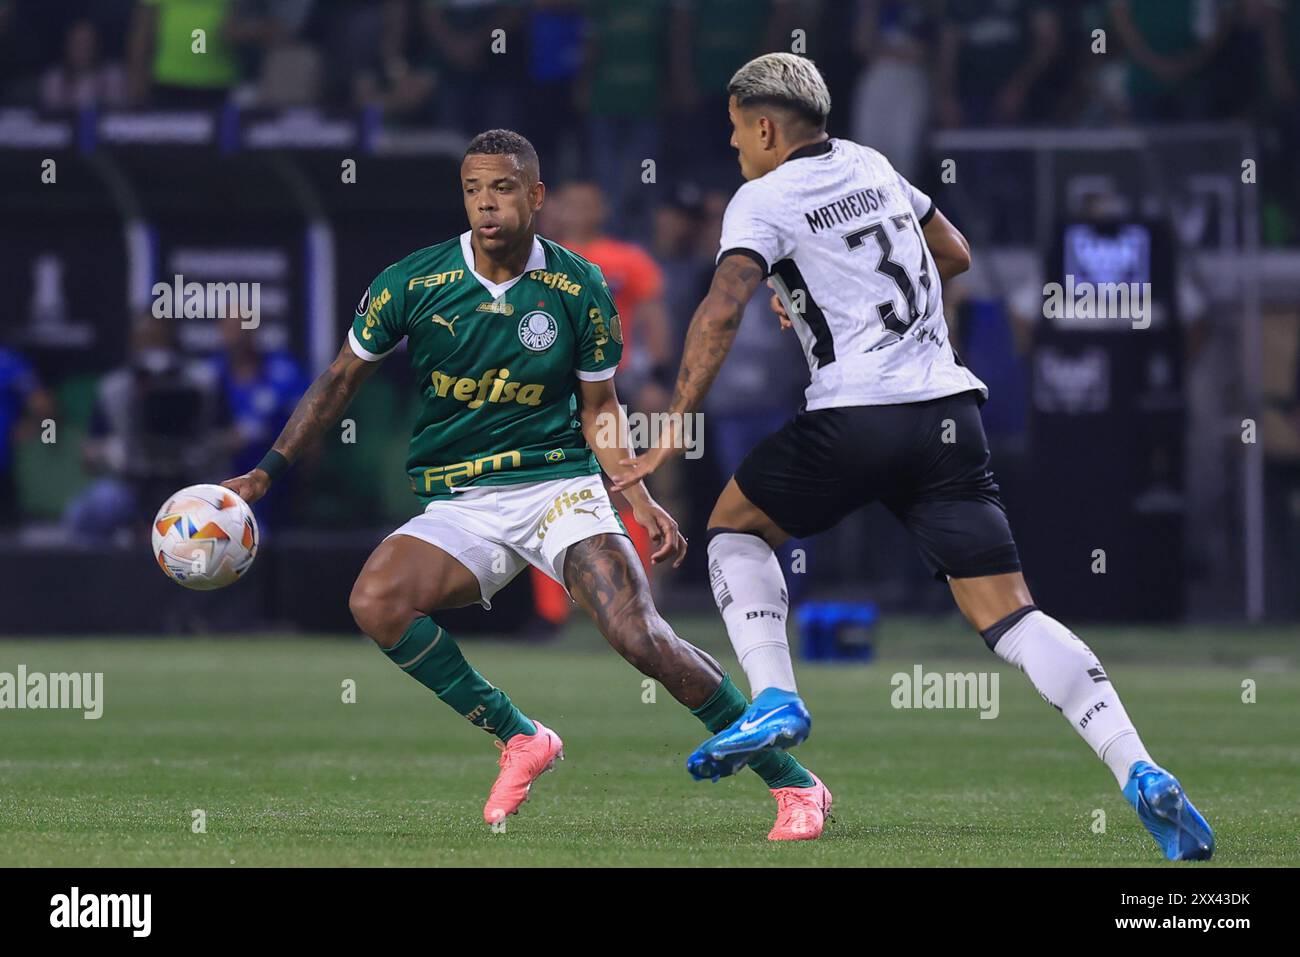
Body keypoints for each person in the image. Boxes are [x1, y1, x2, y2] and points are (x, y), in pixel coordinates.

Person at [615, 53, 1214, 861]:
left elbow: (722, 306)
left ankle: (776, 698)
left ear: (763, 127)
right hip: (949, 415)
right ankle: (1137, 765)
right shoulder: (873, 164)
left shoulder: (762, 197)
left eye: (734, 132)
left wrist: (673, 422)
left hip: (857, 413)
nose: (733, 147)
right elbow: (955, 251)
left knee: (734, 531)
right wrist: (830, 288)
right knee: (1013, 614)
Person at [220, 130, 828, 839]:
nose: (487, 203)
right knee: (376, 600)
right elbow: (337, 381)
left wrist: (636, 496)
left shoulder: (577, 285)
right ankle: (521, 736)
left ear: (535, 197)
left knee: (640, 636)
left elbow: (600, 407)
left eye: (503, 188)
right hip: (462, 502)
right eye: (475, 189)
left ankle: (795, 783)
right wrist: (266, 472)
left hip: (559, 488)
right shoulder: (412, 282)